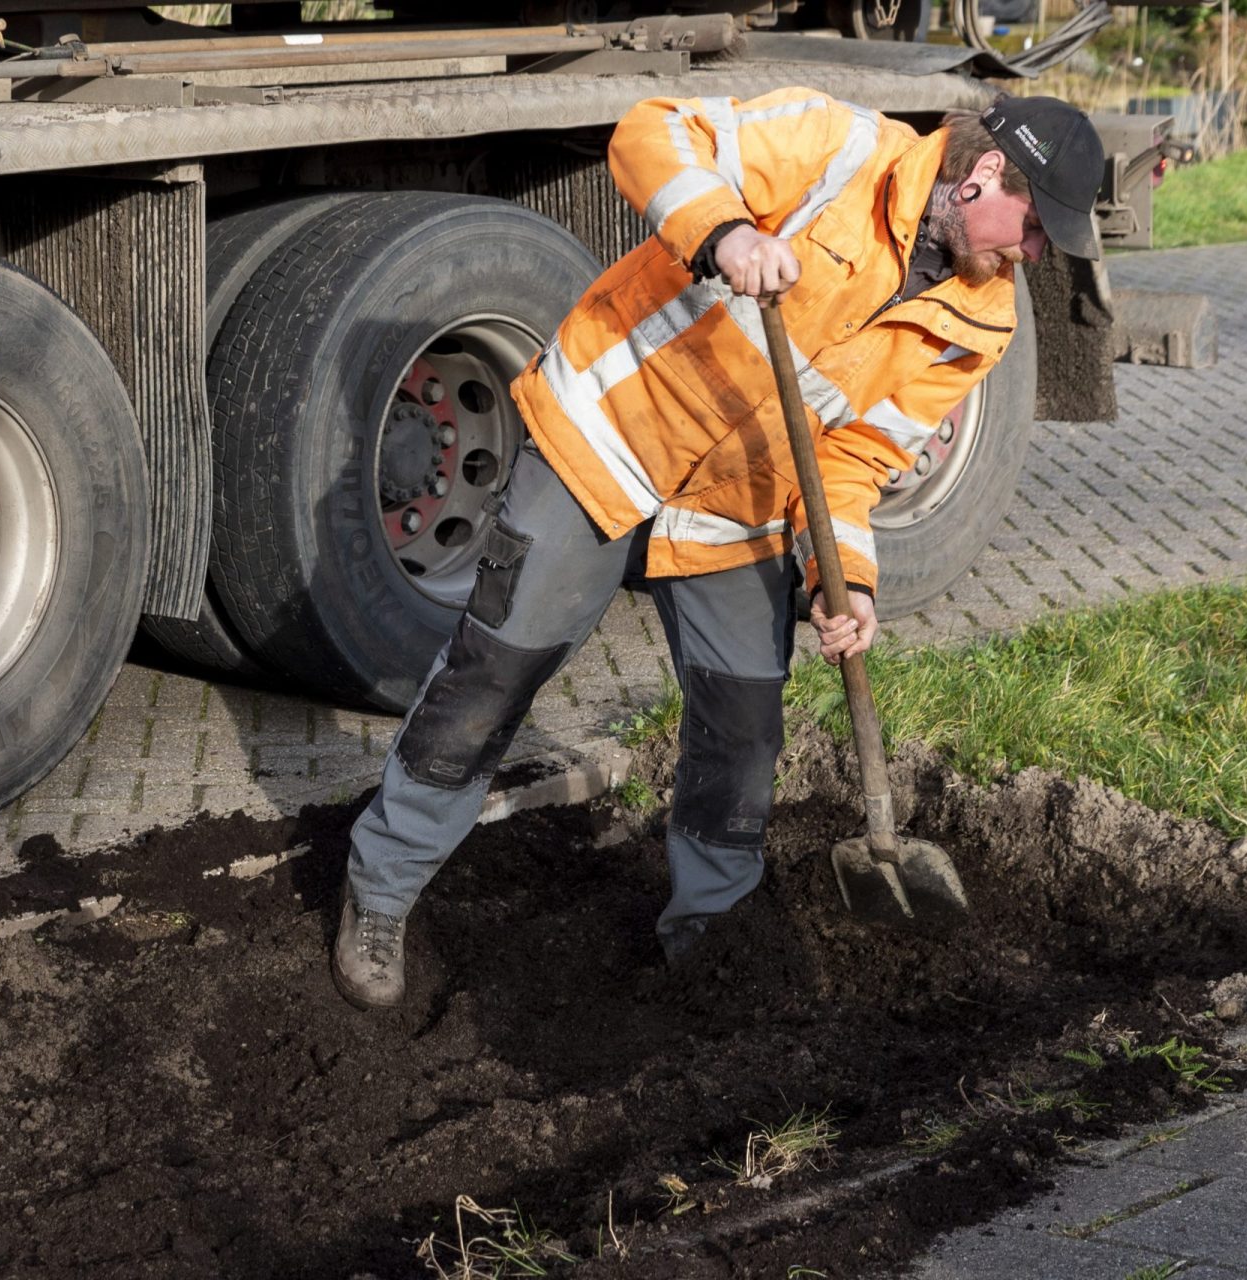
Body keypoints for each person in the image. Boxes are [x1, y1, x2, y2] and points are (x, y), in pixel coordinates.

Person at [332, 87, 1106, 1009]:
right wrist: (726, 232)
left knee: (743, 730)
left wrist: (849, 582)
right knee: (494, 673)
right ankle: (382, 889)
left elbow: (858, 456)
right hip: (608, 435)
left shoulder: (983, 321)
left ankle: (712, 941)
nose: (1033, 255)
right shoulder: (840, 148)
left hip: (736, 507)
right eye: (1034, 228)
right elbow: (651, 131)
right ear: (986, 174)